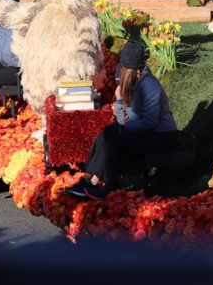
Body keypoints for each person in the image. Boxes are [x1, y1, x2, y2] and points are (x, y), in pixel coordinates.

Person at [67, 42, 178, 200]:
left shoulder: (149, 86)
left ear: (130, 69)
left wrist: (125, 127)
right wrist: (119, 101)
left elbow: (150, 122)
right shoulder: (133, 83)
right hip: (144, 131)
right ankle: (89, 180)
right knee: (105, 134)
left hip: (161, 136)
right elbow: (122, 121)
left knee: (113, 141)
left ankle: (110, 185)